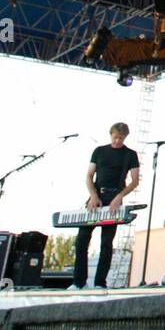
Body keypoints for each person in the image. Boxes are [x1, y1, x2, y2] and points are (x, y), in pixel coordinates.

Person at [71, 122, 140, 289]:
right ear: (111, 135)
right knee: (82, 240)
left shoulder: (130, 154)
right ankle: (79, 282)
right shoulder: (99, 151)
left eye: (121, 138)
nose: (117, 141)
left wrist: (119, 196)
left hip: (115, 198)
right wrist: (93, 195)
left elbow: (135, 181)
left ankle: (100, 283)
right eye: (115, 137)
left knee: (106, 243)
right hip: (96, 196)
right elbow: (89, 176)